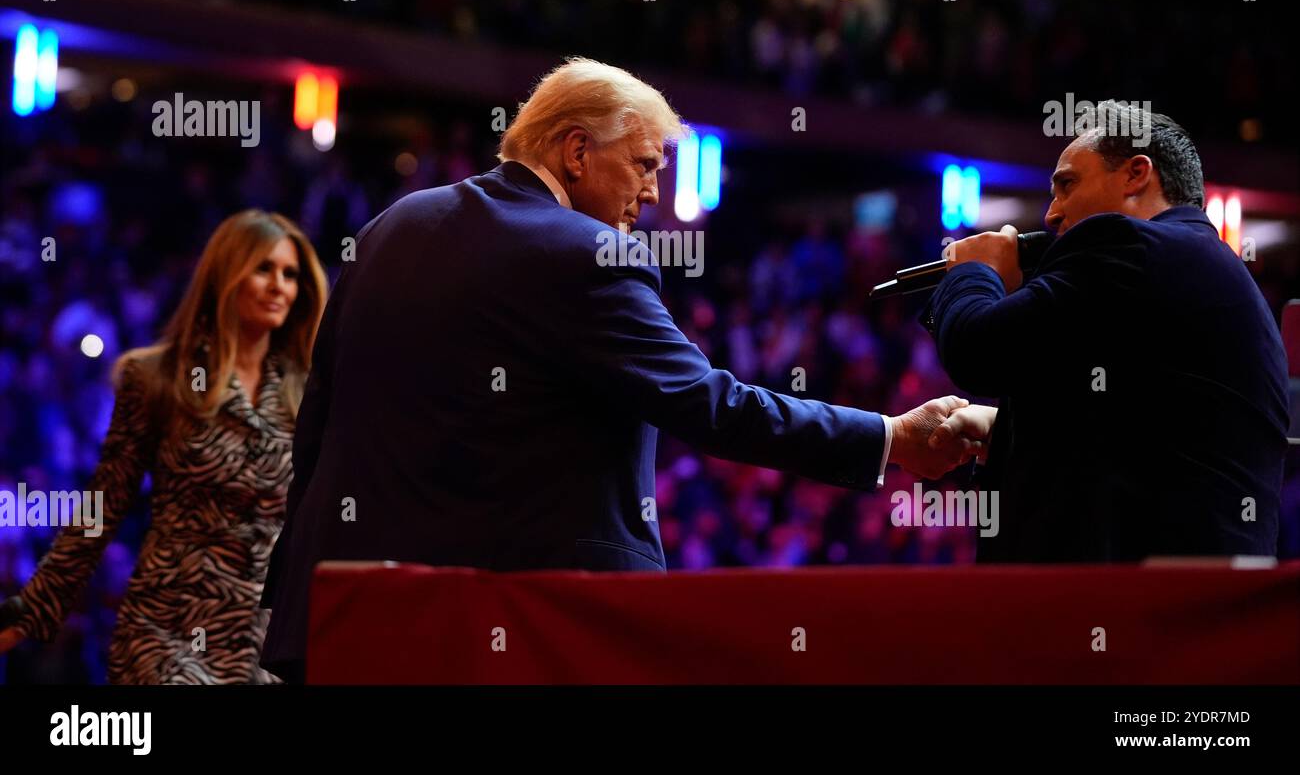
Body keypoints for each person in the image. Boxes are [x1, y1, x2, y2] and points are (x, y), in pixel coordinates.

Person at [259, 57, 983, 682]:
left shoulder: (392, 227)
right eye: (643, 167)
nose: (651, 195)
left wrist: (295, 594)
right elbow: (707, 403)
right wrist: (888, 438)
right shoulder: (586, 253)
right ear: (576, 151)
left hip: (340, 616)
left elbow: (318, 418)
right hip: (503, 629)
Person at [925, 101, 1289, 562]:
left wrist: (975, 271)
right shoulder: (1198, 264)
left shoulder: (1130, 247)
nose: (1052, 215)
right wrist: (1010, 429)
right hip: (1190, 598)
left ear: (1137, 174)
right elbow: (1149, 427)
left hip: (1134, 604)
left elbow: (975, 349)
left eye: (1067, 185)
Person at [0, 211, 327, 682]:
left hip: (263, 643)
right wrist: (33, 608)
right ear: (226, 275)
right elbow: (104, 507)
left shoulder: (308, 393)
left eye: (290, 274)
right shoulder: (155, 378)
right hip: (165, 629)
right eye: (263, 268)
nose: (280, 285)